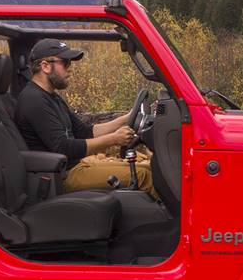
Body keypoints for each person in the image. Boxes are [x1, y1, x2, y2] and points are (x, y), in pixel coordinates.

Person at [15, 38, 158, 197]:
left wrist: (127, 118)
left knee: (147, 169)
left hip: (74, 166)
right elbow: (63, 147)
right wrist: (114, 139)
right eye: (65, 63)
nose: (70, 69)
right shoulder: (33, 100)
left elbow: (84, 131)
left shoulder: (51, 97)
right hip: (62, 176)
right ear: (45, 66)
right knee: (145, 176)